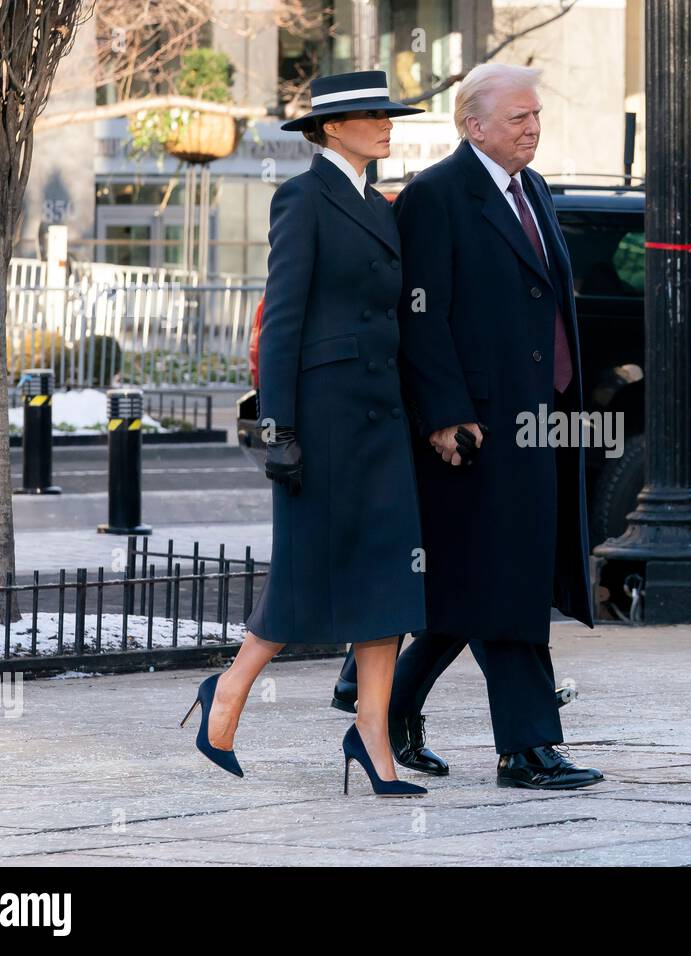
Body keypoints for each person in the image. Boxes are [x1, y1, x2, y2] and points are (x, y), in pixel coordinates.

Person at [336, 63, 604, 789]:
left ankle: (376, 704)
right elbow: (420, 317)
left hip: (538, 420)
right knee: (507, 580)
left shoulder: (535, 190)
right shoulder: (436, 195)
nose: (533, 128)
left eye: (537, 115)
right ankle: (528, 748)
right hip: (475, 429)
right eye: (518, 118)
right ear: (473, 125)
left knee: (474, 582)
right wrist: (447, 415)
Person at [179, 71, 428, 797]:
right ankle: (225, 695)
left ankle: (374, 738)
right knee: (302, 574)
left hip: (384, 420)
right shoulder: (302, 198)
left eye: (387, 113)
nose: (386, 124)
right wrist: (277, 427)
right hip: (322, 421)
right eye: (370, 115)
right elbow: (282, 318)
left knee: (389, 578)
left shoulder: (379, 206)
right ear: (329, 129)